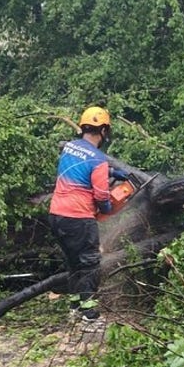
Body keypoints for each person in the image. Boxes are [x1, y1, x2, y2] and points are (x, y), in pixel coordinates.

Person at [48, 106, 127, 327]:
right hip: (79, 218)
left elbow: (80, 166)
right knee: (90, 263)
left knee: (74, 263)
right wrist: (109, 207)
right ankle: (89, 314)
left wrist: (111, 172)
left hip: (57, 216)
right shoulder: (98, 159)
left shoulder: (70, 148)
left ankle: (75, 307)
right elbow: (101, 196)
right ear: (103, 130)